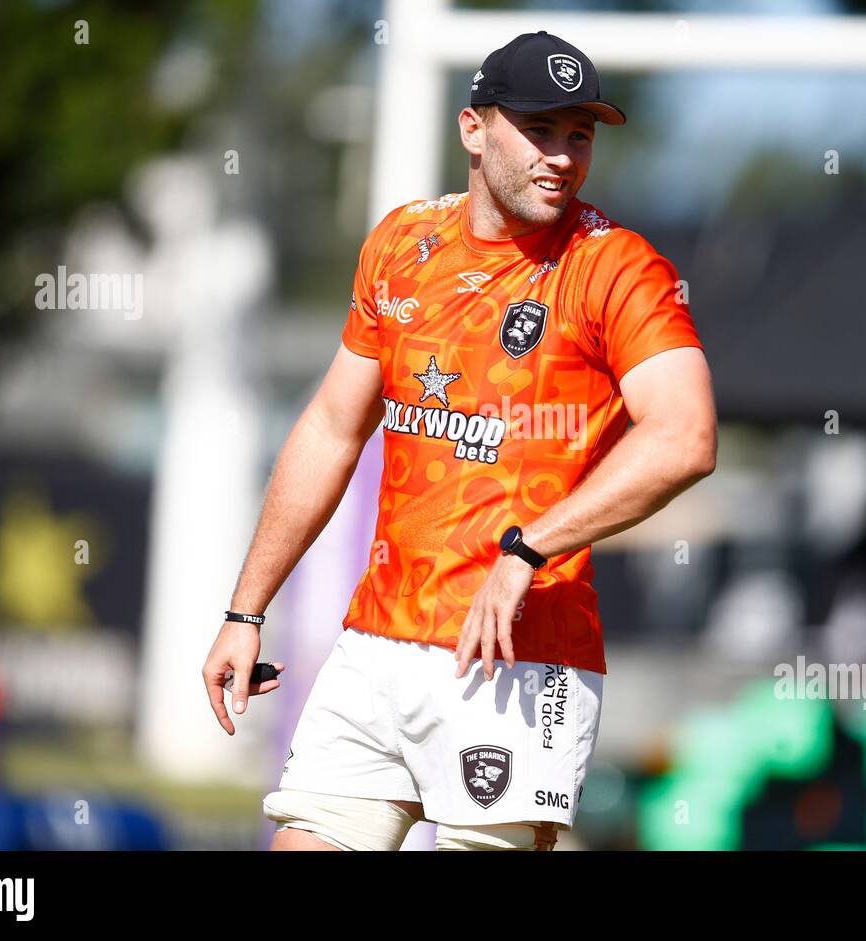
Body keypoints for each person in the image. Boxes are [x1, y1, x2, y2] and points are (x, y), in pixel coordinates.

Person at [201, 30, 717, 851]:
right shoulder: (403, 245)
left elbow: (686, 436)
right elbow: (334, 427)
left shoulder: (617, 267)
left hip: (522, 655)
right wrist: (244, 608)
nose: (562, 156)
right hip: (376, 644)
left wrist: (527, 550)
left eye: (579, 135)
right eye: (539, 129)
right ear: (473, 129)